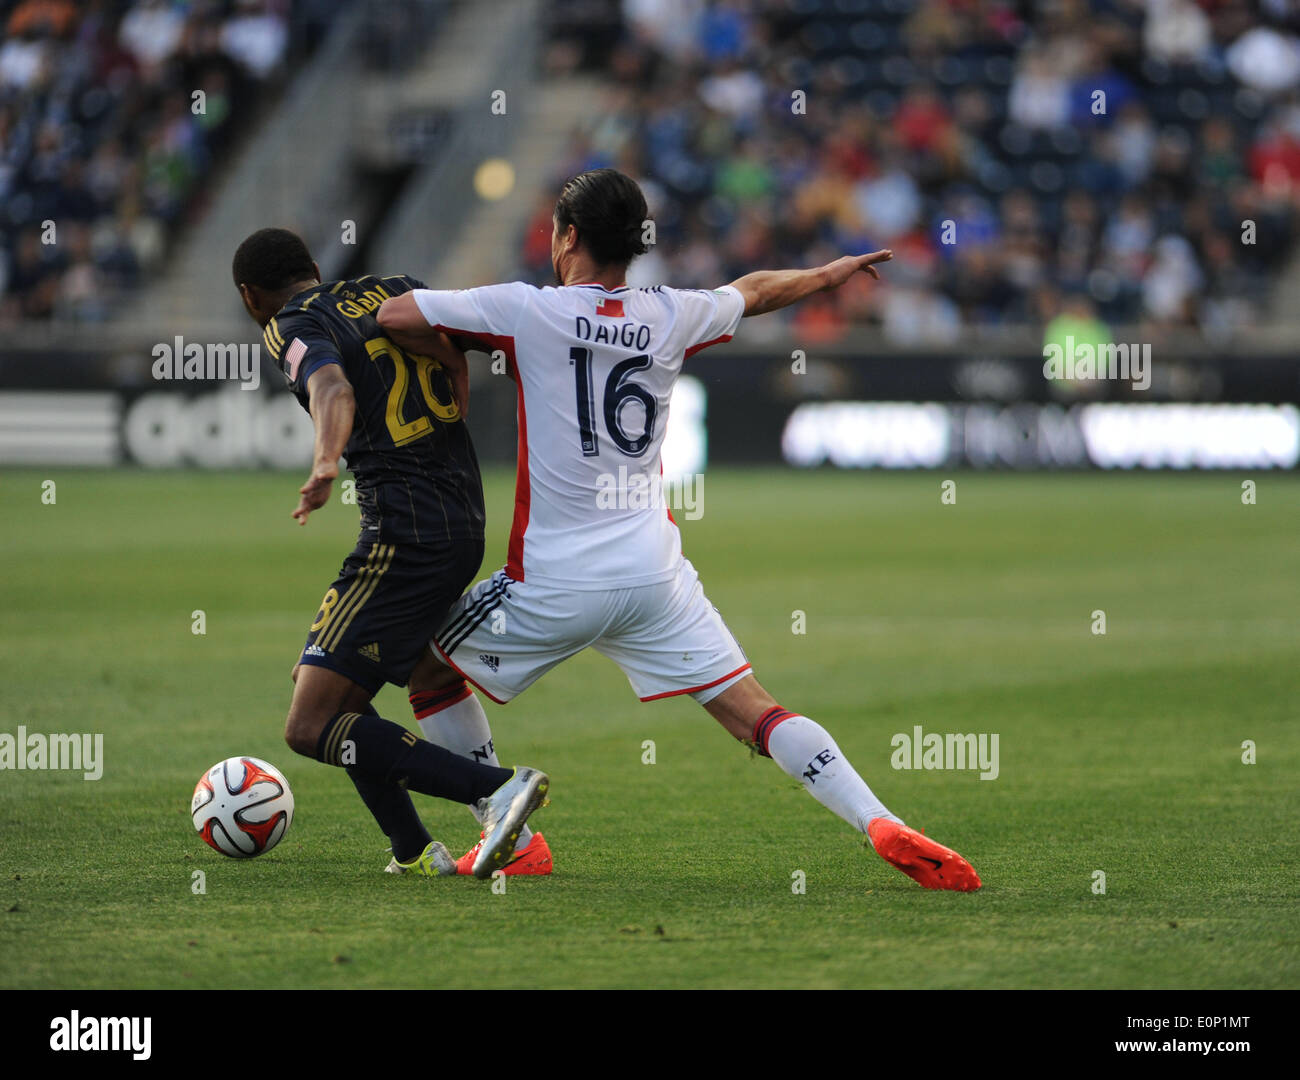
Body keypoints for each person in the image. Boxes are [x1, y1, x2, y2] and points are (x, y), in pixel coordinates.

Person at [376, 170, 979, 890]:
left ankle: (513, 830)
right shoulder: (670, 312)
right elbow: (752, 292)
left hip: (555, 578)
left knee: (426, 667)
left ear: (567, 237)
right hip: (655, 576)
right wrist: (825, 275)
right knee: (754, 710)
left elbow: (394, 317)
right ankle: (879, 819)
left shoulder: (523, 309)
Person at [231, 227, 548, 880]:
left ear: (249, 298)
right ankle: (416, 848)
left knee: (311, 722)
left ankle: (495, 791)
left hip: (404, 535)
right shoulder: (395, 288)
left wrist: (324, 462)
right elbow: (460, 334)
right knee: (390, 679)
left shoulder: (286, 325)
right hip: (462, 519)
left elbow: (334, 391)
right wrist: (456, 363)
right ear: (316, 267)